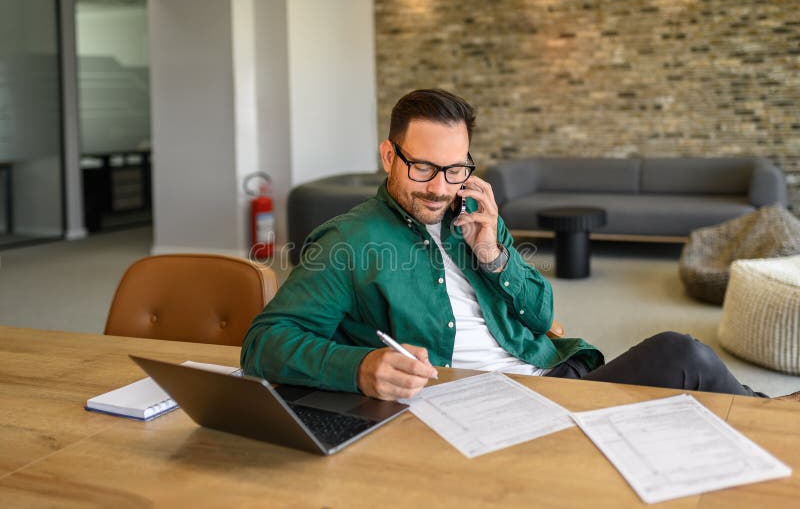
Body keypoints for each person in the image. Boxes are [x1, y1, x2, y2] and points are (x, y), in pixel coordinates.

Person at [241, 88, 798, 402]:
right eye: (423, 167)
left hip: (553, 378)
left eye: (456, 168)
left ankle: (771, 417)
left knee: (682, 353)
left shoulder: (475, 213)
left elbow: (544, 316)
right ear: (389, 156)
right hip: (480, 404)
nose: (440, 187)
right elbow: (264, 344)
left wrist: (495, 255)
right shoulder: (348, 240)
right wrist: (361, 367)